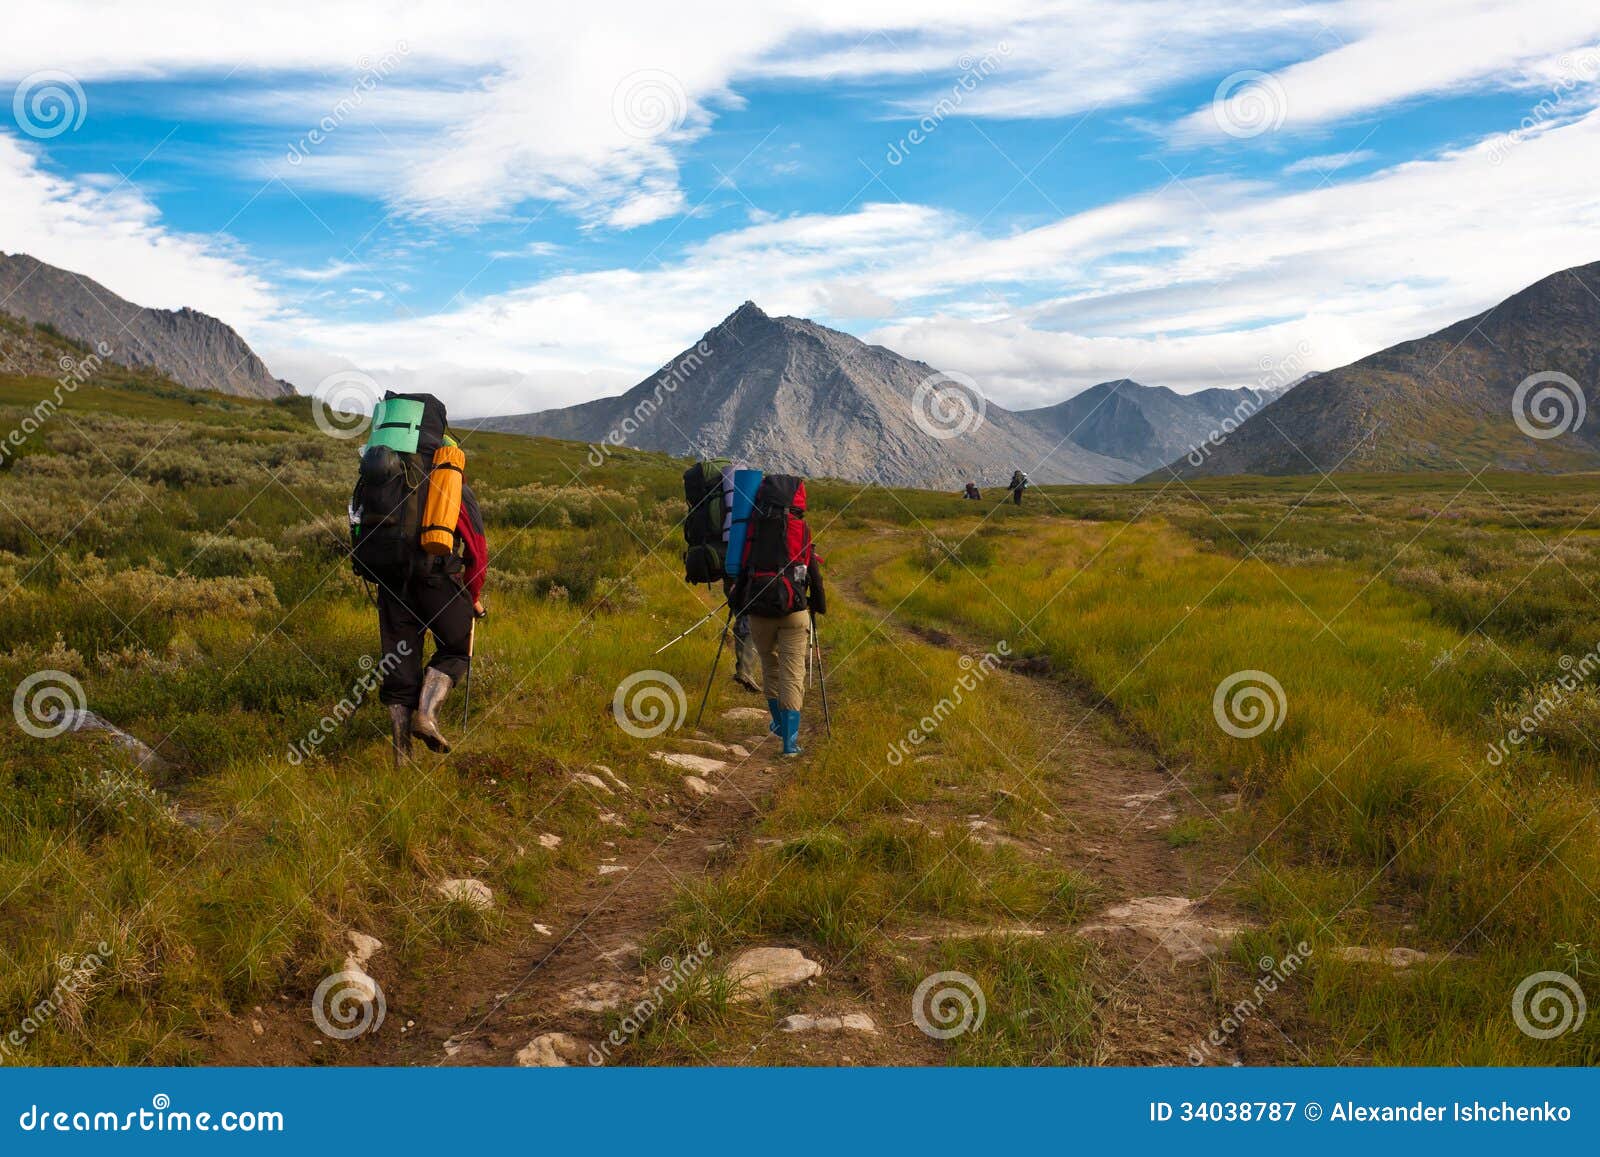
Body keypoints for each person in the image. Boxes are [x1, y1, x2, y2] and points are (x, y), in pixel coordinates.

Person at [377, 440, 489, 766]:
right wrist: (473, 597)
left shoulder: (385, 486)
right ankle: (426, 716)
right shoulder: (451, 486)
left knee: (399, 668)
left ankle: (402, 759)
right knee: (456, 648)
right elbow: (477, 554)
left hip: (391, 584)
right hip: (437, 580)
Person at [734, 475, 825, 757]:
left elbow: (742, 568)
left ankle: (778, 724)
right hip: (794, 610)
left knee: (770, 668)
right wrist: (818, 604)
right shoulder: (801, 528)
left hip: (759, 610)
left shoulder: (751, 528)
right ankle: (790, 744)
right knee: (792, 672)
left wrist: (738, 603)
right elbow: (812, 572)